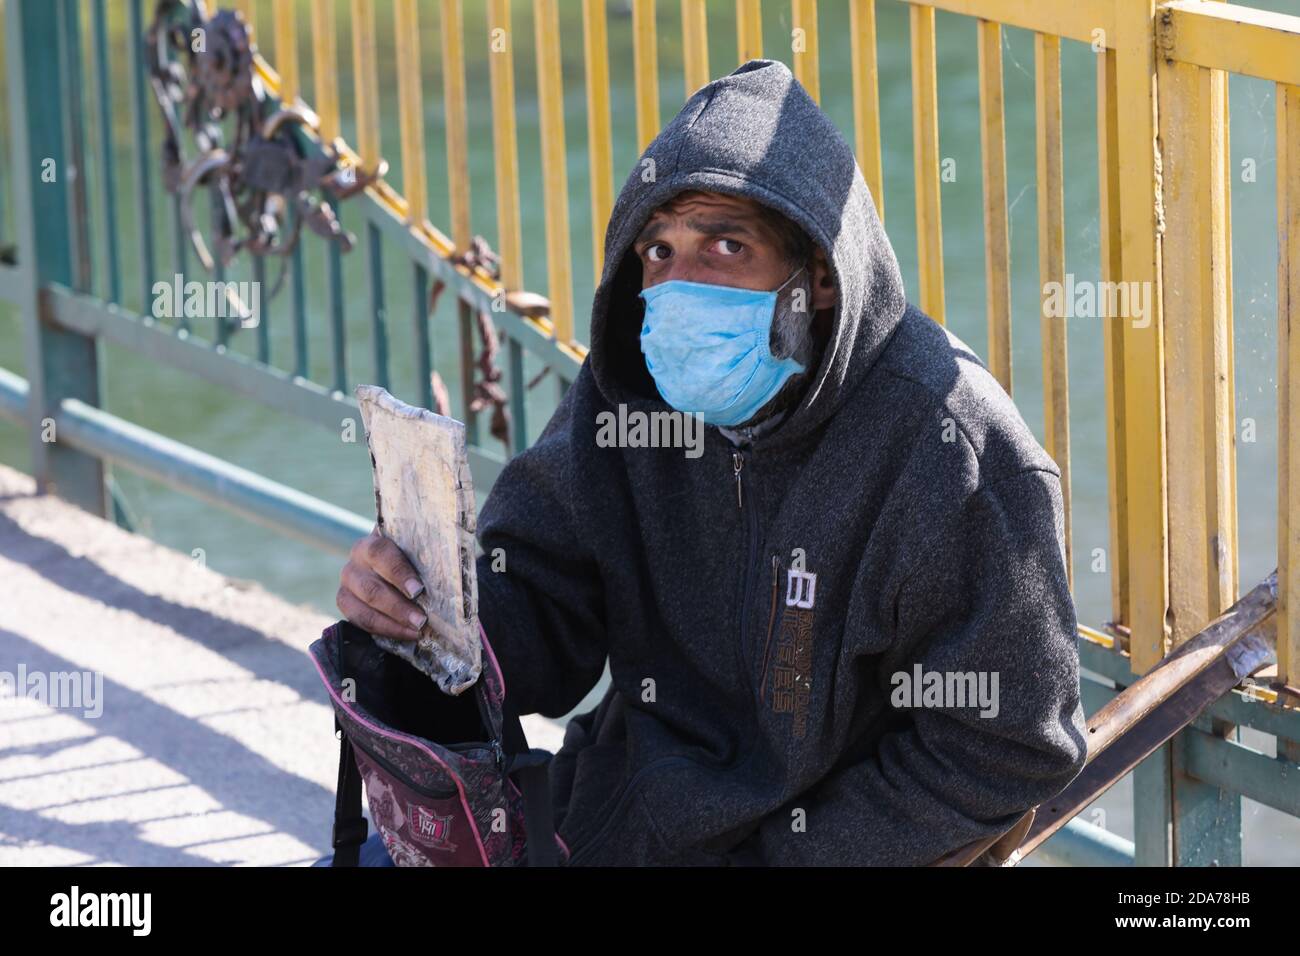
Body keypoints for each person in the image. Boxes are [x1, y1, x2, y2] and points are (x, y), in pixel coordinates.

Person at [334, 58, 1088, 866]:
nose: (678, 286)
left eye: (726, 246)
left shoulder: (953, 452)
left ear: (821, 278)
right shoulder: (631, 391)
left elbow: (1008, 745)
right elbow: (541, 602)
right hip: (617, 819)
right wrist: (422, 615)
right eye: (658, 251)